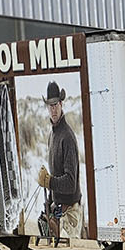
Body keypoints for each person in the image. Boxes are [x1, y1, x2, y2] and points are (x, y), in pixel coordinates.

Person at [35, 80, 82, 238]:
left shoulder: (67, 136)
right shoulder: (52, 135)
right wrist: (49, 204)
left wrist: (49, 181)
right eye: (50, 105)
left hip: (70, 214)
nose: (53, 109)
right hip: (58, 210)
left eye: (56, 104)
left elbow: (70, 183)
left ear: (61, 104)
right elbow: (56, 175)